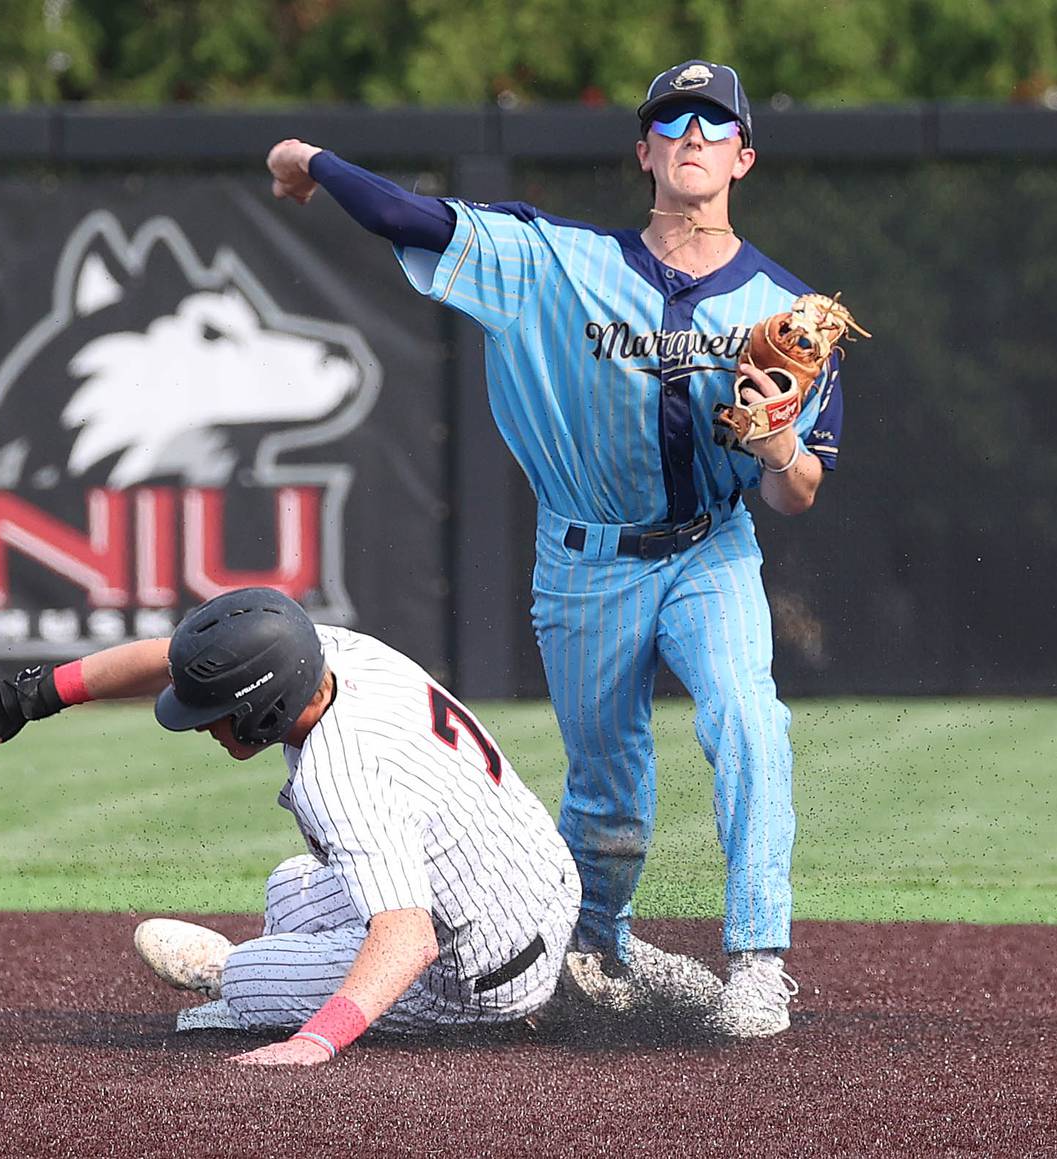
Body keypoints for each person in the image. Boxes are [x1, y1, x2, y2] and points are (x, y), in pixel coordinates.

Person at [265, 59, 843, 1037]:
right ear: (643, 152)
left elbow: (798, 493)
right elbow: (415, 219)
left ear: (743, 155)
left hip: (711, 550)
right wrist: (311, 158)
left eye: (714, 125)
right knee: (608, 787)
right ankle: (599, 943)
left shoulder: (785, 312)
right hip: (586, 561)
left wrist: (778, 440)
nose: (692, 136)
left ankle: (756, 958)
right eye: (673, 123)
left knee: (748, 720)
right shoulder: (550, 261)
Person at [0, 586, 581, 1066]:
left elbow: (408, 939)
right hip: (537, 877)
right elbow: (168, 657)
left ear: (264, 707)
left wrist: (313, 1040)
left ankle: (243, 974)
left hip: (482, 966)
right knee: (288, 889)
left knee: (252, 979)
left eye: (214, 710)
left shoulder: (339, 774)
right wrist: (22, 700)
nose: (202, 723)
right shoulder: (333, 652)